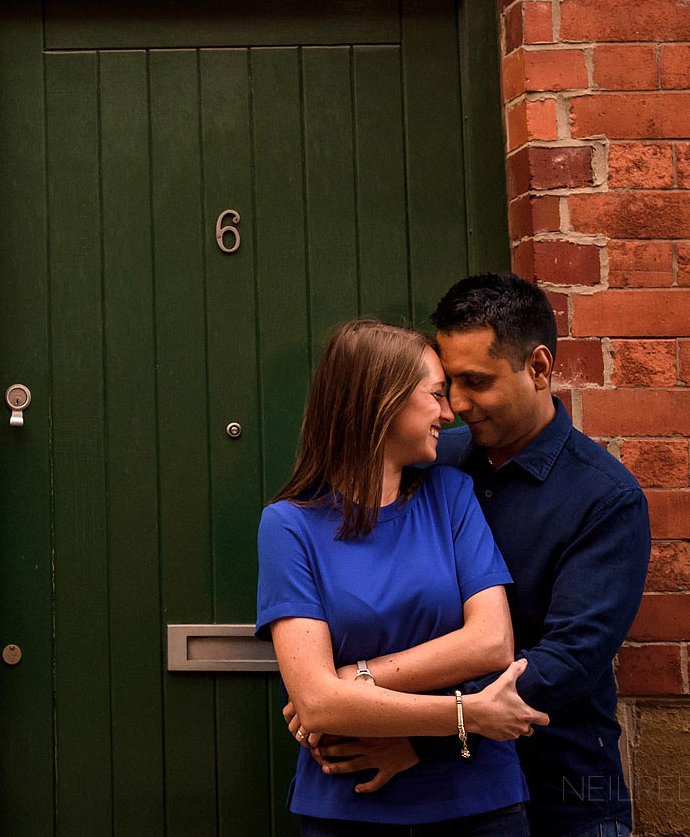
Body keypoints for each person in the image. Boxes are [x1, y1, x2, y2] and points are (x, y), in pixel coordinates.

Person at [307, 276, 651, 837]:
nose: (457, 405)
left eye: (476, 382)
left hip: (562, 793)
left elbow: (566, 661)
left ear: (538, 368)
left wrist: (419, 734)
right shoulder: (434, 463)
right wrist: (331, 692)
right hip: (444, 801)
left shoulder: (605, 499)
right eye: (447, 384)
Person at [258, 317, 548, 836]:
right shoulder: (289, 526)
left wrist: (352, 679)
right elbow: (317, 703)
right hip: (348, 802)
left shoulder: (452, 495)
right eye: (435, 395)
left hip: (477, 798)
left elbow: (491, 643)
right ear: (382, 402)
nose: (447, 412)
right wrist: (468, 713)